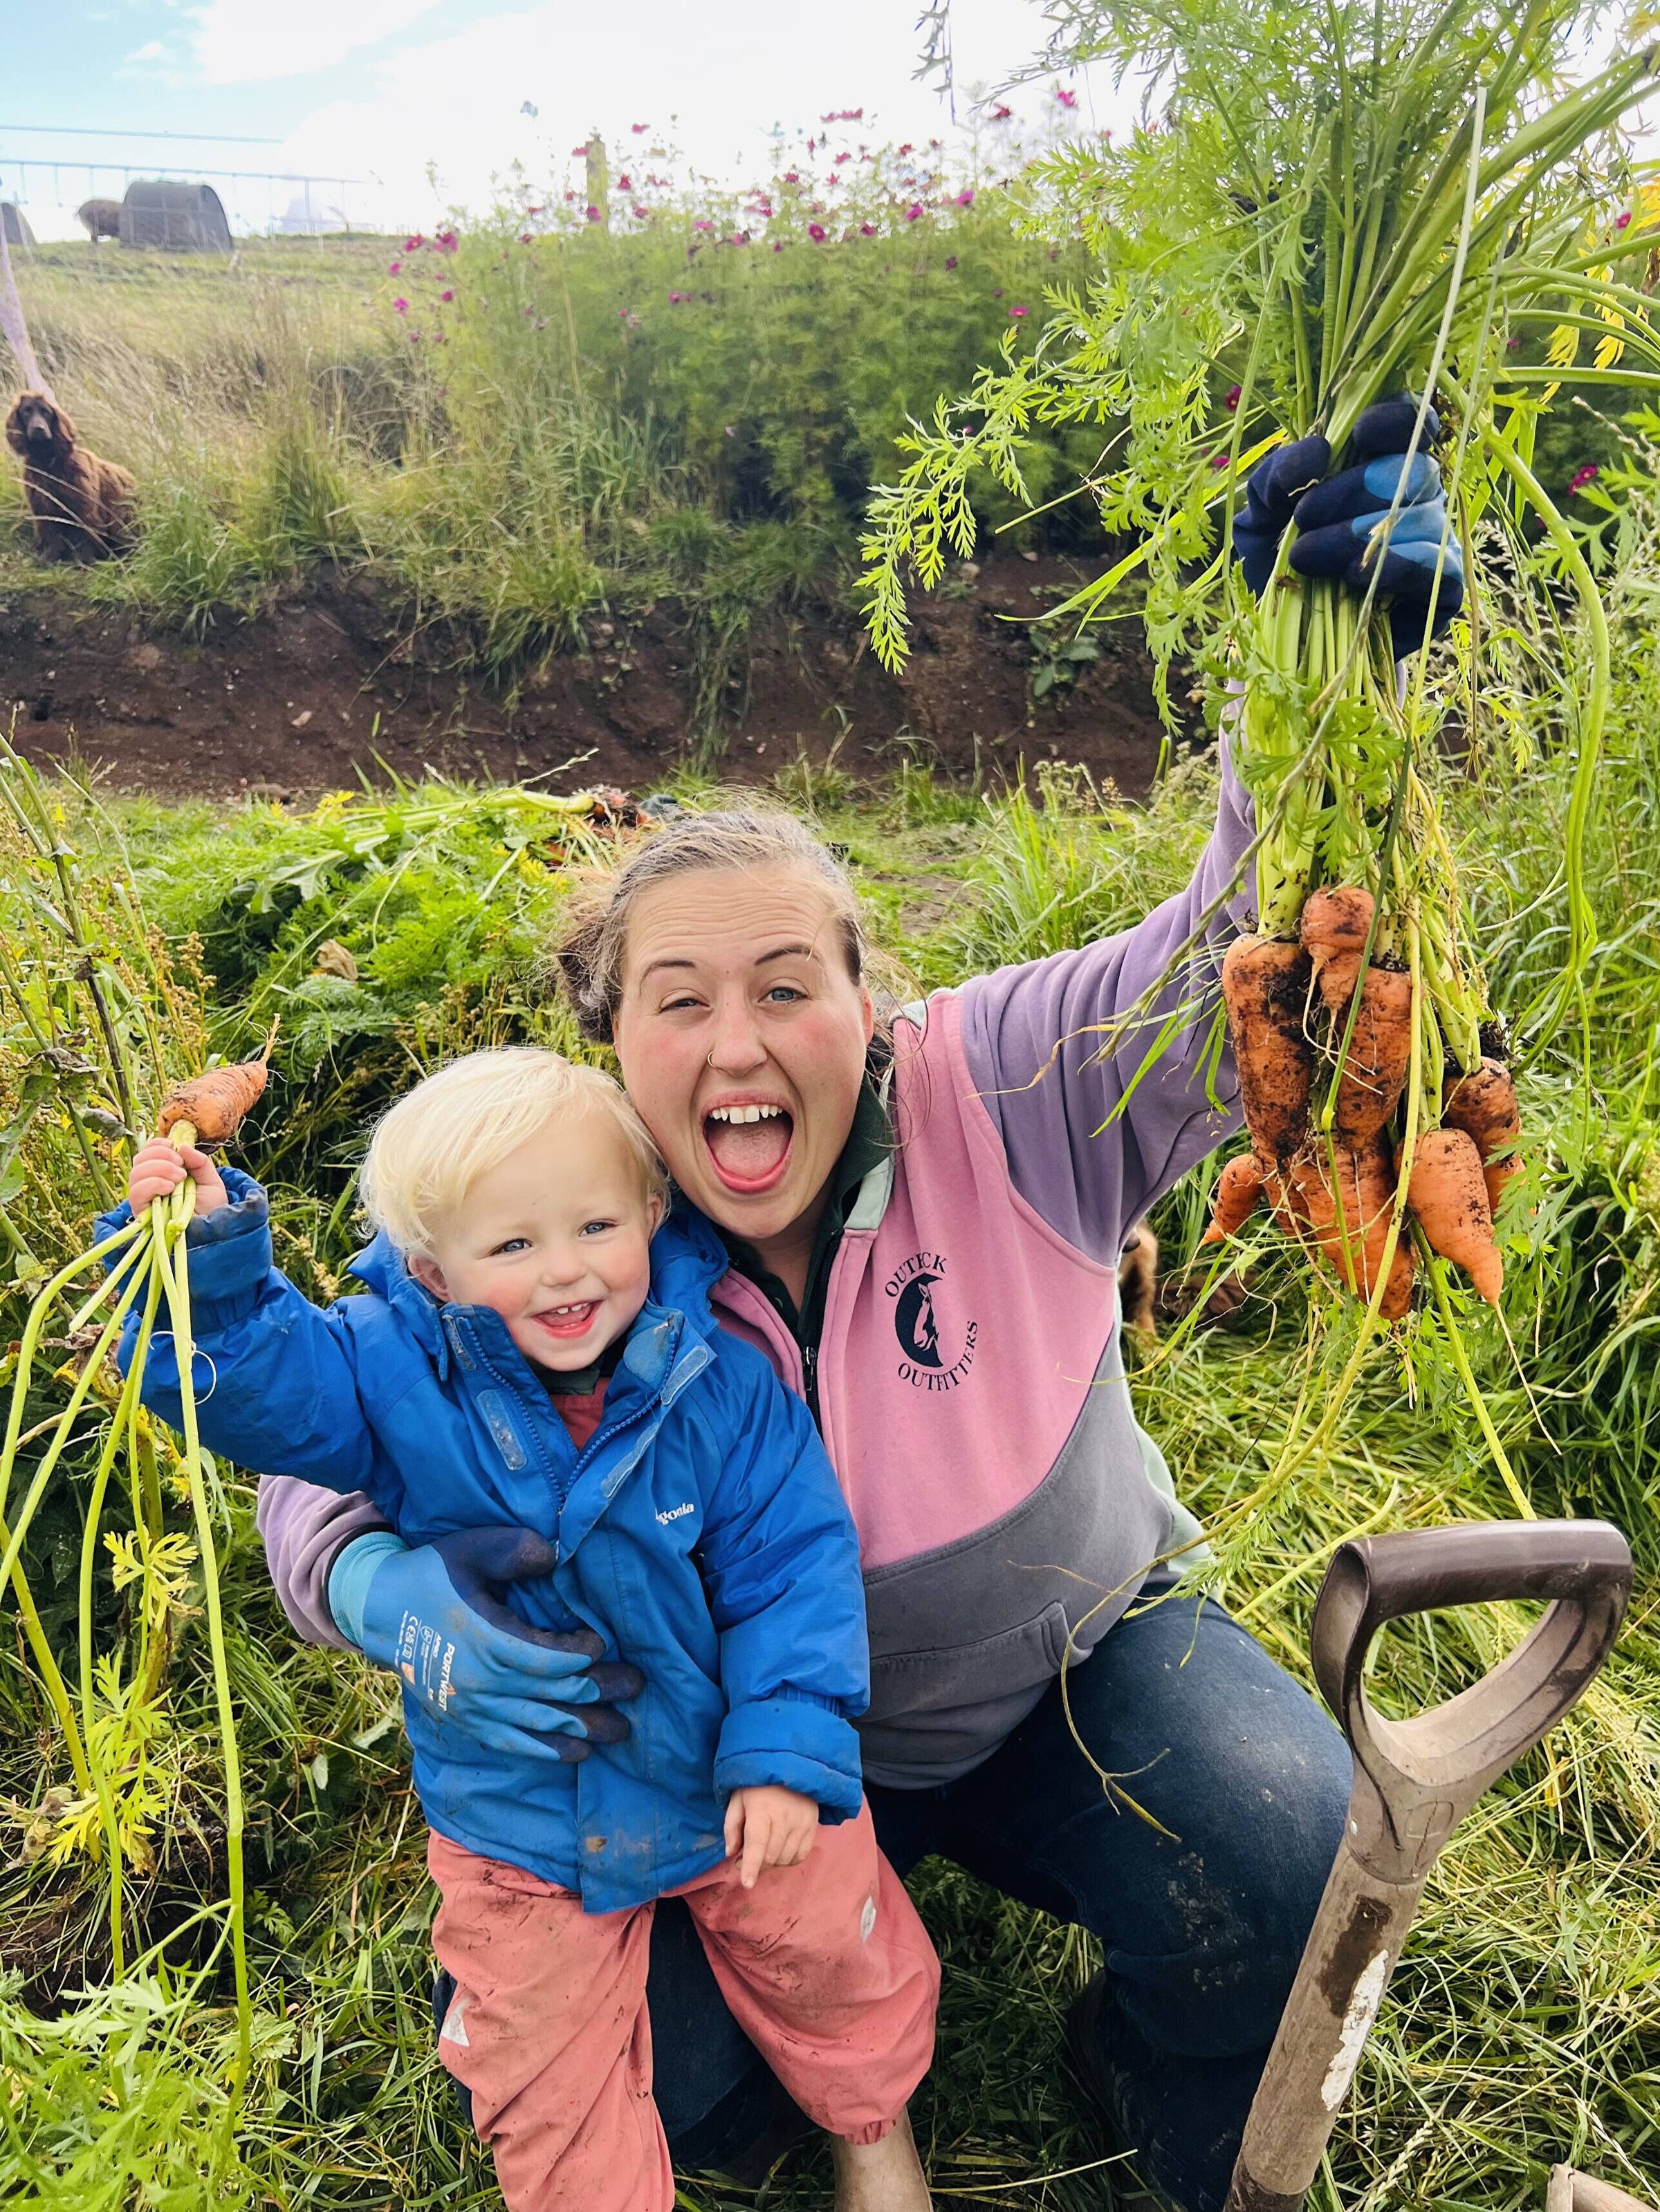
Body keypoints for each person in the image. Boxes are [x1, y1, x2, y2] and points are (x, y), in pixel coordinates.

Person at [253, 407, 1459, 2212]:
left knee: (1289, 1850)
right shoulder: (561, 1199)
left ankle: (1143, 2052)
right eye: (678, 1001)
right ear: (611, 1045)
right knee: (649, 2062)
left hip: (1062, 1678)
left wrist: (1322, 687)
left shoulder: (1013, 1079)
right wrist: (372, 1577)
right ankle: (770, 2093)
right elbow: (341, 1400)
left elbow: (1237, 961)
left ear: (868, 1000)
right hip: (717, 1750)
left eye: (787, 984)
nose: (738, 1045)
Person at [106, 1050, 941, 2212]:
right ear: (431, 1271)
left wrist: (787, 1747)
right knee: (538, 2074)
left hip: (713, 1773)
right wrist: (211, 1267)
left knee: (835, 1948)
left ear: (652, 1210)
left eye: (595, 1225)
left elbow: (792, 1564)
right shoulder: (388, 1372)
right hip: (519, 1823)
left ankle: (874, 2128)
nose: (565, 1272)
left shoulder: (719, 1383)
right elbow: (256, 1391)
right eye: (510, 1248)